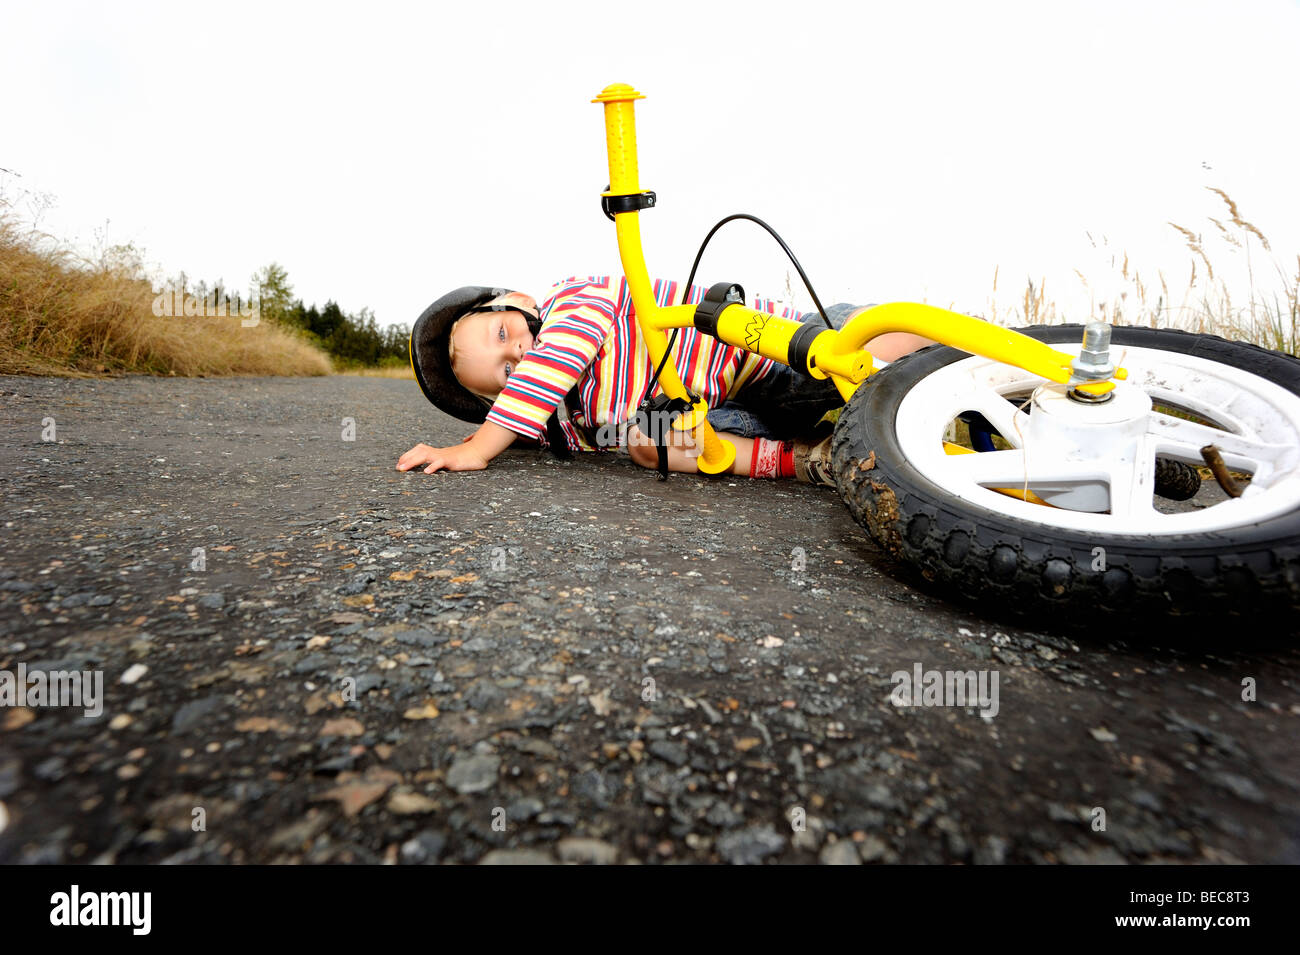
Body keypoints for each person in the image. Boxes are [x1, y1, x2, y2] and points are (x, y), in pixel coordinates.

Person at [398, 276, 929, 484]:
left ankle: (967, 354)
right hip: (733, 406)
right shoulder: (560, 408)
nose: (517, 351)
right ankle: (810, 460)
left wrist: (486, 445)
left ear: (517, 301)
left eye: (503, 332)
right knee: (644, 443)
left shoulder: (574, 302)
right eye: (505, 372)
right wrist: (488, 438)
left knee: (876, 345)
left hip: (778, 349)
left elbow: (554, 359)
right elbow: (560, 427)